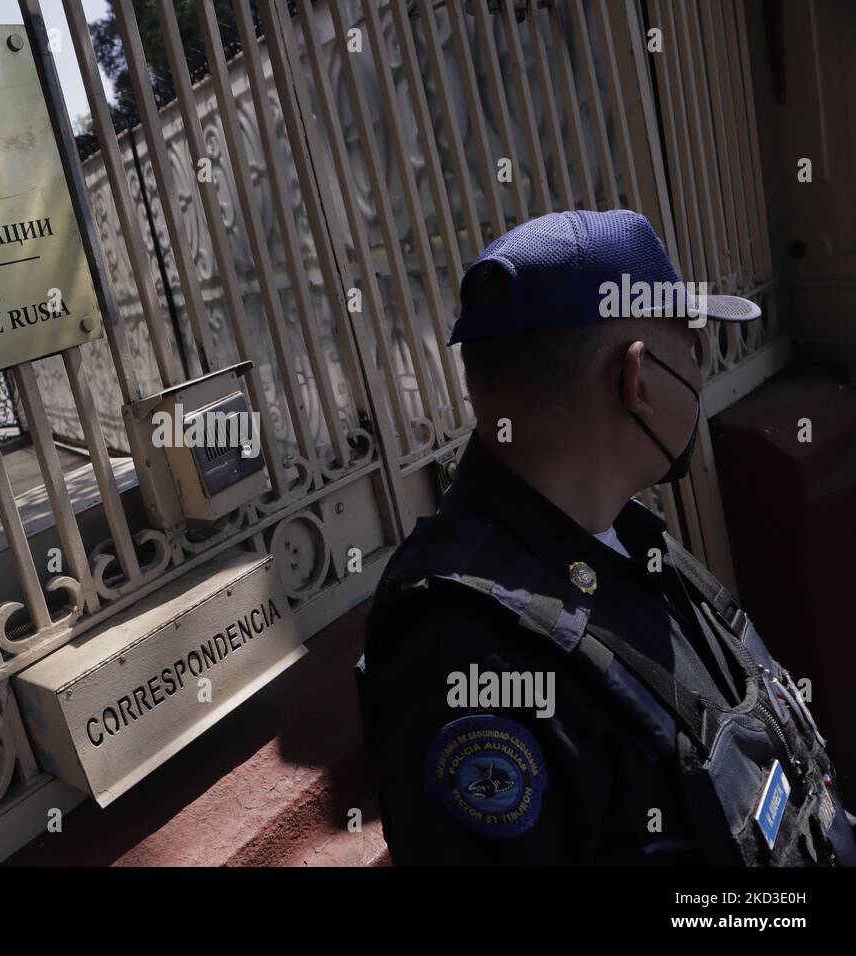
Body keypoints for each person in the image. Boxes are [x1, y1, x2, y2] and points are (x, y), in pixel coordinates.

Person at [358, 209, 856, 865]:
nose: (702, 376)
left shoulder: (624, 536)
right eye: (694, 351)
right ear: (640, 380)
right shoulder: (465, 654)